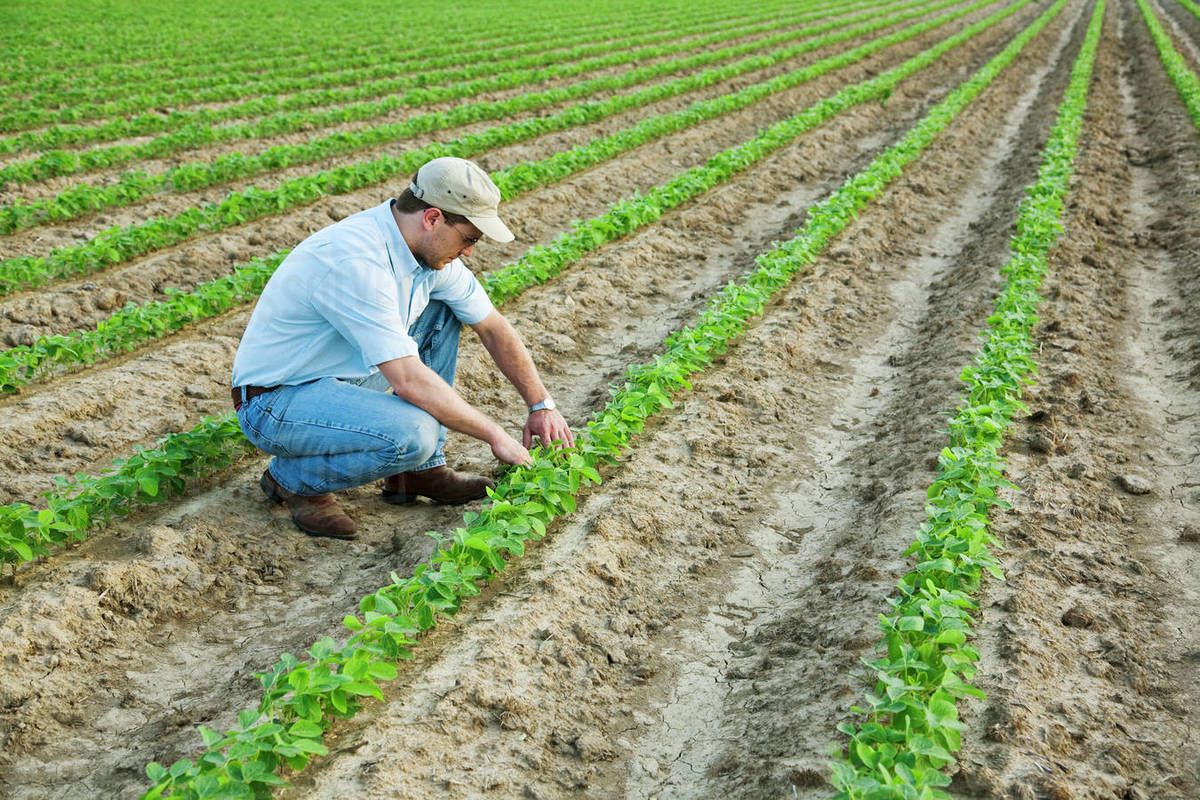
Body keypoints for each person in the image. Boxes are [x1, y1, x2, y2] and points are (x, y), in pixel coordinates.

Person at [230, 156, 574, 540]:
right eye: (470, 238)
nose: (470, 252)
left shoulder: (423, 256)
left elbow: (492, 327)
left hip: (343, 379)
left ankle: (418, 472)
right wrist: (496, 435)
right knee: (413, 434)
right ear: (432, 218)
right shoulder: (356, 259)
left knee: (443, 310)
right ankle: (293, 480)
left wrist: (541, 405)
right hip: (278, 401)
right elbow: (408, 380)